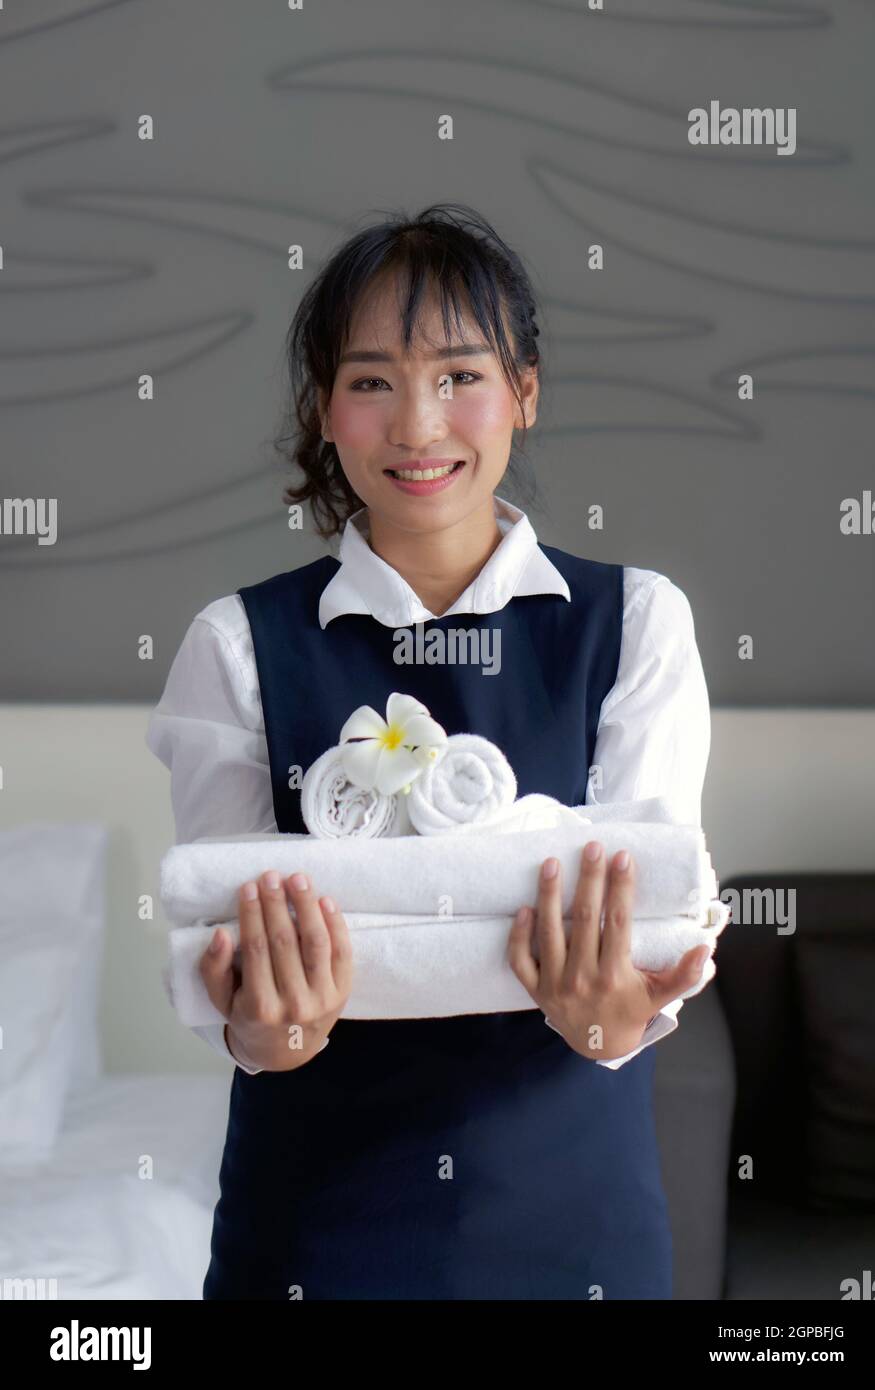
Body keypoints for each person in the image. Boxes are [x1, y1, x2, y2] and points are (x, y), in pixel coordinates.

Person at [146, 202, 714, 1300]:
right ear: (323, 409)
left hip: (575, 1228)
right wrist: (270, 1031)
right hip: (315, 1232)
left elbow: (648, 936)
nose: (418, 423)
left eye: (460, 375)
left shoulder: (635, 621)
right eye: (370, 381)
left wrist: (612, 1011)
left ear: (525, 394)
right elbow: (234, 978)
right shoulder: (239, 646)